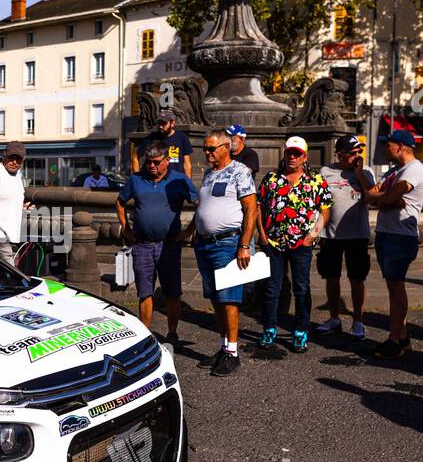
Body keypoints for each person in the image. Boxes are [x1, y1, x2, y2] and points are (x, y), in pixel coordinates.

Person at [178, 129, 257, 375]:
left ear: (227, 147)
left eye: (211, 148)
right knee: (215, 299)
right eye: (205, 149)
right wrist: (191, 230)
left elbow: (251, 210)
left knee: (229, 299)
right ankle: (223, 348)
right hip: (206, 244)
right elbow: (205, 207)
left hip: (228, 243)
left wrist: (244, 245)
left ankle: (232, 353)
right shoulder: (210, 175)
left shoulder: (240, 171)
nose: (207, 153)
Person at [116, 141, 199, 346]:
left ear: (167, 161)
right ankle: (145, 334)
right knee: (144, 292)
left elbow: (200, 203)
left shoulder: (179, 180)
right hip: (142, 245)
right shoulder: (136, 180)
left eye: (156, 162)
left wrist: (190, 230)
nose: (151, 166)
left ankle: (172, 333)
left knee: (172, 292)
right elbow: (119, 202)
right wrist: (126, 229)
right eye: (148, 162)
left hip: (169, 244)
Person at [256, 136, 332, 353]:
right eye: (289, 152)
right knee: (271, 289)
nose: (292, 157)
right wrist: (261, 234)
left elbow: (325, 209)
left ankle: (300, 332)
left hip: (301, 244)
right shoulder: (271, 178)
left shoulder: (315, 181)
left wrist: (313, 235)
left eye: (297, 154)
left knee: (301, 288)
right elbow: (259, 207)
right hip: (273, 242)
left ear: (304, 156)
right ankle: (269, 329)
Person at [361, 130, 423, 358]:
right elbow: (371, 195)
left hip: (400, 236)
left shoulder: (414, 169)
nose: (384, 148)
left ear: (400, 147)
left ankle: (395, 341)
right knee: (393, 287)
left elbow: (386, 198)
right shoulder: (394, 171)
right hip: (386, 233)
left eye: (387, 145)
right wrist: (385, 198)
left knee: (396, 286)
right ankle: (402, 337)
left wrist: (387, 199)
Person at [316, 134, 373, 338]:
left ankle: (358, 320)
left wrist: (359, 174)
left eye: (360, 152)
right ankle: (334, 318)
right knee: (331, 278)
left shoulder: (366, 172)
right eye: (352, 153)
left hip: (357, 235)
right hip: (331, 235)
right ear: (340, 155)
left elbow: (372, 197)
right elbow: (318, 201)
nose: (358, 156)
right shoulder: (326, 172)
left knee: (357, 278)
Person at [132, 109, 193, 178]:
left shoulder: (181, 137)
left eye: (164, 123)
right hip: (154, 182)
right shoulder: (152, 137)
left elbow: (187, 164)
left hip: (175, 183)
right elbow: (135, 157)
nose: (161, 126)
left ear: (172, 123)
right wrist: (137, 179)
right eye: (159, 123)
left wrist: (188, 183)